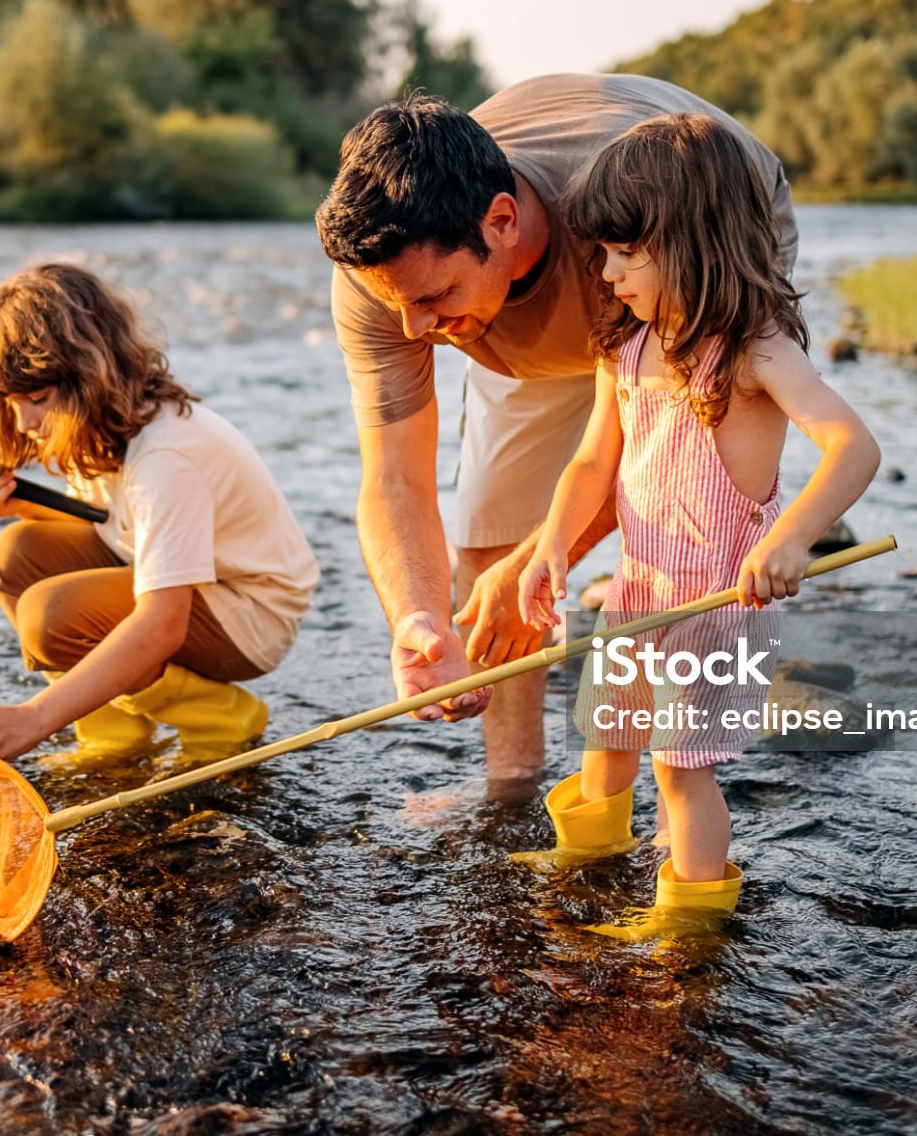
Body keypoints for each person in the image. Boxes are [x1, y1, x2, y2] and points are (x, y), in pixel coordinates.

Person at [315, 74, 800, 794]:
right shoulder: (382, 275)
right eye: (398, 306)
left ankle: (682, 795)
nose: (415, 331)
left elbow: (652, 468)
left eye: (433, 299)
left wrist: (551, 551)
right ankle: (510, 786)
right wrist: (417, 618)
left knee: (681, 515)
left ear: (501, 222)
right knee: (490, 541)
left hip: (713, 218)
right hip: (530, 310)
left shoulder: (643, 229)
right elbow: (393, 478)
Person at [515, 113, 879, 926]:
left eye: (623, 252)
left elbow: (853, 447)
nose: (605, 274)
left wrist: (789, 540)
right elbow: (589, 465)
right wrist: (549, 551)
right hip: (639, 590)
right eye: (601, 254)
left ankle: (691, 916)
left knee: (681, 771)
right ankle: (587, 861)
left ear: (690, 239)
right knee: (606, 735)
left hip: (718, 607)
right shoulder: (627, 349)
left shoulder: (757, 350)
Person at [0, 263, 318, 761]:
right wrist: (18, 503)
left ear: (90, 376)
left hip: (247, 614)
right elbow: (117, 527)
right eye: (8, 403)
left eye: (36, 398)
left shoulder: (165, 456)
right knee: (15, 556)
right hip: (191, 585)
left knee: (50, 616)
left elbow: (162, 623)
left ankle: (218, 715)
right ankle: (114, 732)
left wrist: (35, 717)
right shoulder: (108, 423)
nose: (24, 422)